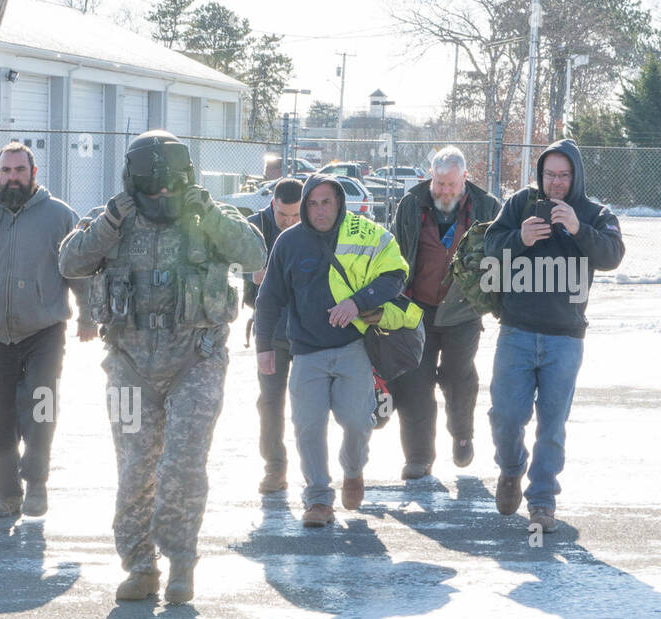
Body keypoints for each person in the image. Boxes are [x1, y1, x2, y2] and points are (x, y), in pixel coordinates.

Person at [58, 130, 266, 604]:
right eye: (153, 187)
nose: (163, 195)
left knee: (182, 465)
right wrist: (110, 221)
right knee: (135, 470)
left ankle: (180, 565)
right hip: (129, 367)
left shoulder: (207, 215)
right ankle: (139, 566)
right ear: (134, 183)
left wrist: (209, 214)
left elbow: (255, 255)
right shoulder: (113, 219)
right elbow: (70, 260)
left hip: (196, 361)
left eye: (171, 185)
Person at [0, 142, 93, 519]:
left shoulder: (59, 216)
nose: (13, 178)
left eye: (19, 171)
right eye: (6, 171)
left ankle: (37, 484)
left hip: (45, 332)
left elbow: (79, 267)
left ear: (33, 173)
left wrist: (88, 316)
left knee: (41, 409)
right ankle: (6, 494)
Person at [254, 174, 414, 527]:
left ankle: (353, 470)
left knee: (357, 421)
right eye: (313, 203)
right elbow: (269, 298)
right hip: (306, 353)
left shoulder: (363, 233)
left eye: (327, 202)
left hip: (351, 347)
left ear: (339, 204)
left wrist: (357, 303)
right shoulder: (288, 243)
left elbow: (395, 275)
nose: (320, 210)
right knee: (308, 426)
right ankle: (318, 500)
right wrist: (264, 346)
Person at [483, 139, 625, 532]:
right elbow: (488, 248)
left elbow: (612, 255)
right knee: (506, 416)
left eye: (564, 176)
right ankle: (511, 468)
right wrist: (520, 239)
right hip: (516, 330)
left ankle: (542, 502)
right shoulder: (518, 205)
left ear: (575, 176)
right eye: (550, 175)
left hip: (565, 337)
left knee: (552, 423)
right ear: (541, 174)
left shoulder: (595, 212)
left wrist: (578, 228)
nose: (556, 184)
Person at [389, 146, 501, 479]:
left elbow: (500, 256)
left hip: (463, 310)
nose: (445, 191)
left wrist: (494, 299)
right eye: (439, 184)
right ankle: (419, 457)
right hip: (416, 309)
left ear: (464, 179)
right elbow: (395, 253)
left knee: (457, 376)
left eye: (451, 184)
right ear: (430, 178)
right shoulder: (411, 205)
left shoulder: (487, 207)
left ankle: (462, 433)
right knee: (414, 383)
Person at [243, 178, 303, 493]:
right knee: (270, 400)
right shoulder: (255, 229)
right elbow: (235, 268)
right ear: (272, 205)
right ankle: (275, 467)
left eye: (296, 216)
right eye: (283, 217)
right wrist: (253, 277)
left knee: (311, 402)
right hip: (271, 329)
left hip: (310, 330)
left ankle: (314, 468)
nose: (290, 223)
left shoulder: (316, 227)